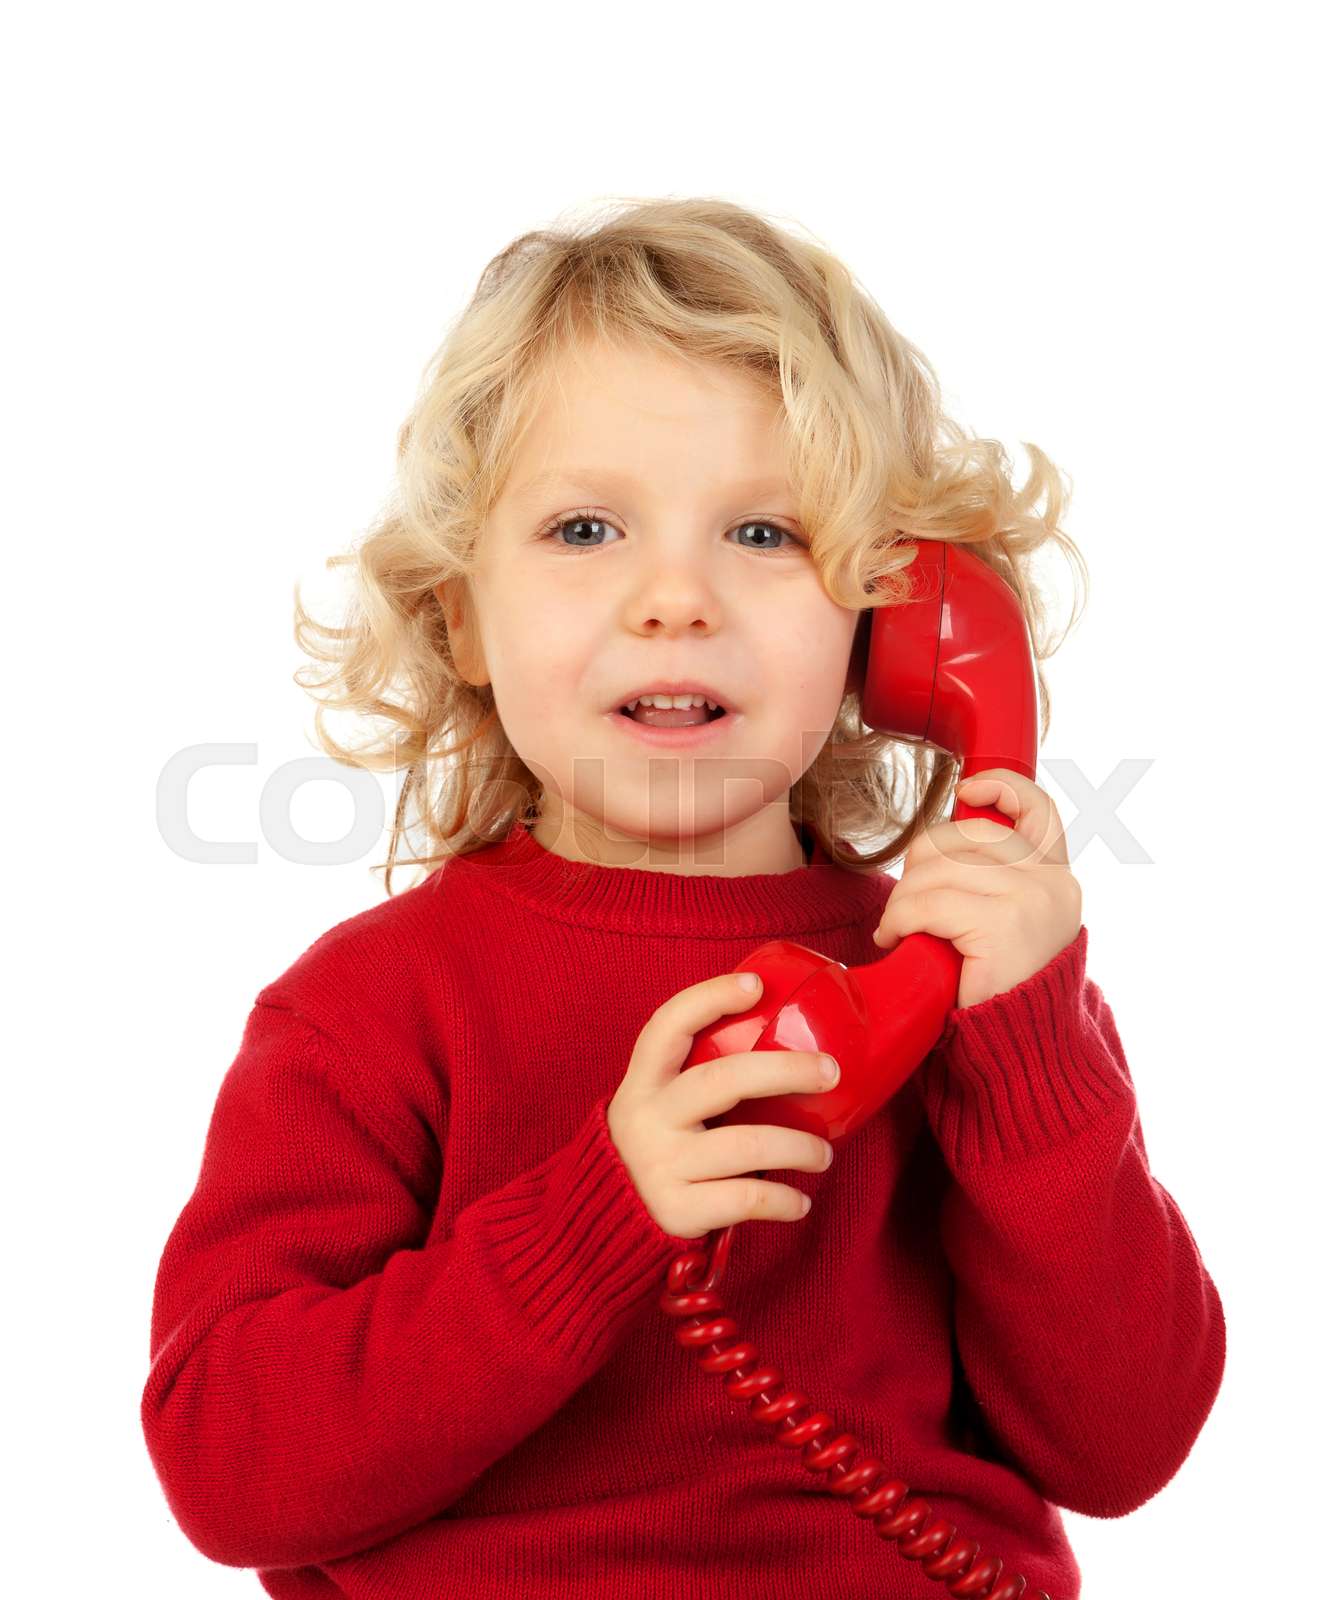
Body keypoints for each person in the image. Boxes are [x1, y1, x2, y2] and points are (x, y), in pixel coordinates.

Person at [141, 196, 1226, 1599]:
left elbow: (1125, 1445)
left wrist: (1023, 1046)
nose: (675, 599)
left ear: (893, 630)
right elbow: (232, 1468)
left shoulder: (970, 979)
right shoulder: (369, 1010)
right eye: (587, 527)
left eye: (765, 535)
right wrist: (595, 1221)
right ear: (459, 614)